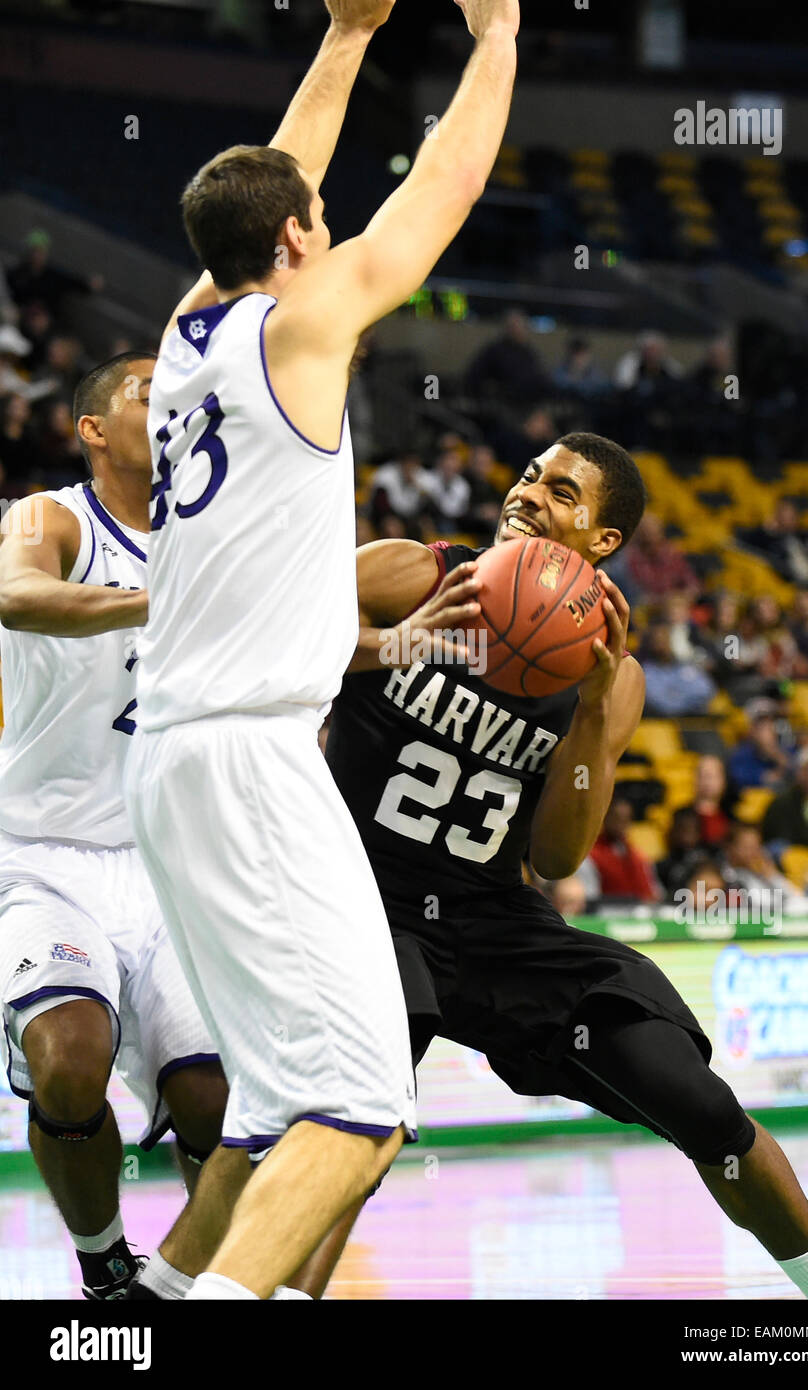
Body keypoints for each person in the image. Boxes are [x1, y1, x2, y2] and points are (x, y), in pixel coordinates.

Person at [123, 0, 522, 1303]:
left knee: (270, 1115)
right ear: (298, 240)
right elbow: (443, 191)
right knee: (357, 1105)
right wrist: (498, 40)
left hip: (174, 758)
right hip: (246, 758)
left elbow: (268, 186)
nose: (336, 229)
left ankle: (135, 1315)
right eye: (322, 221)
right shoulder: (300, 327)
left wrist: (346, 37)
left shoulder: (188, 333)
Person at [321, 427, 808, 1300]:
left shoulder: (615, 679)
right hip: (357, 899)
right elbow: (262, 637)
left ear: (604, 539)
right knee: (353, 1127)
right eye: (531, 476)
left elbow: (557, 854)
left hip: (492, 919)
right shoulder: (415, 574)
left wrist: (591, 711)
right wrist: (398, 643)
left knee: (698, 1103)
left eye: (561, 492)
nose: (528, 493)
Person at [0, 354, 227, 1300]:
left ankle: (205, 1285)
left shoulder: (212, 538)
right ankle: (103, 1268)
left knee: (214, 1101)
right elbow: (17, 595)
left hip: (170, 863)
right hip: (44, 856)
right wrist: (158, 603)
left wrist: (413, 636)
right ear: (92, 429)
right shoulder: (47, 518)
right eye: (145, 391)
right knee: (68, 1060)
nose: (167, 401)